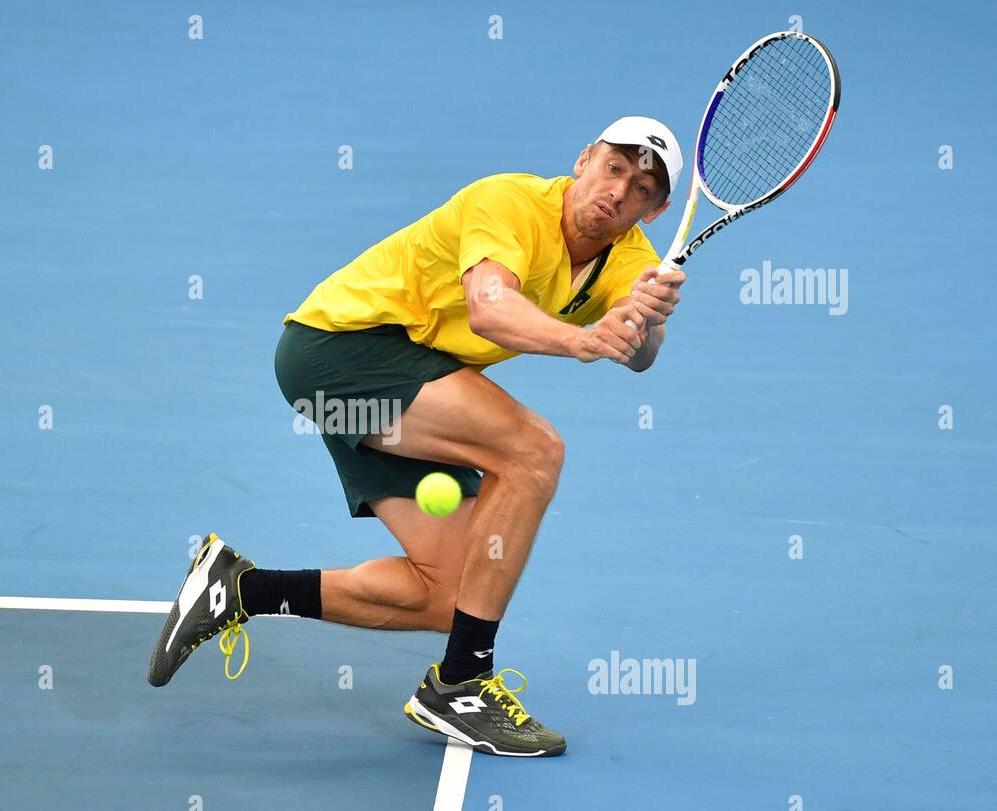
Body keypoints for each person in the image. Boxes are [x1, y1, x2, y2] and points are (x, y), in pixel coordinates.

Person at [148, 117, 688, 758]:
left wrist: (645, 321)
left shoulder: (632, 260)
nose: (620, 189)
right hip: (339, 351)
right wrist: (578, 339)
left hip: (411, 375)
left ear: (654, 211)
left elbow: (641, 355)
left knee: (454, 594)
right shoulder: (509, 203)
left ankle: (238, 588)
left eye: (642, 186)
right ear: (583, 159)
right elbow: (489, 305)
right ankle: (462, 685)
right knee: (534, 451)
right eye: (614, 167)